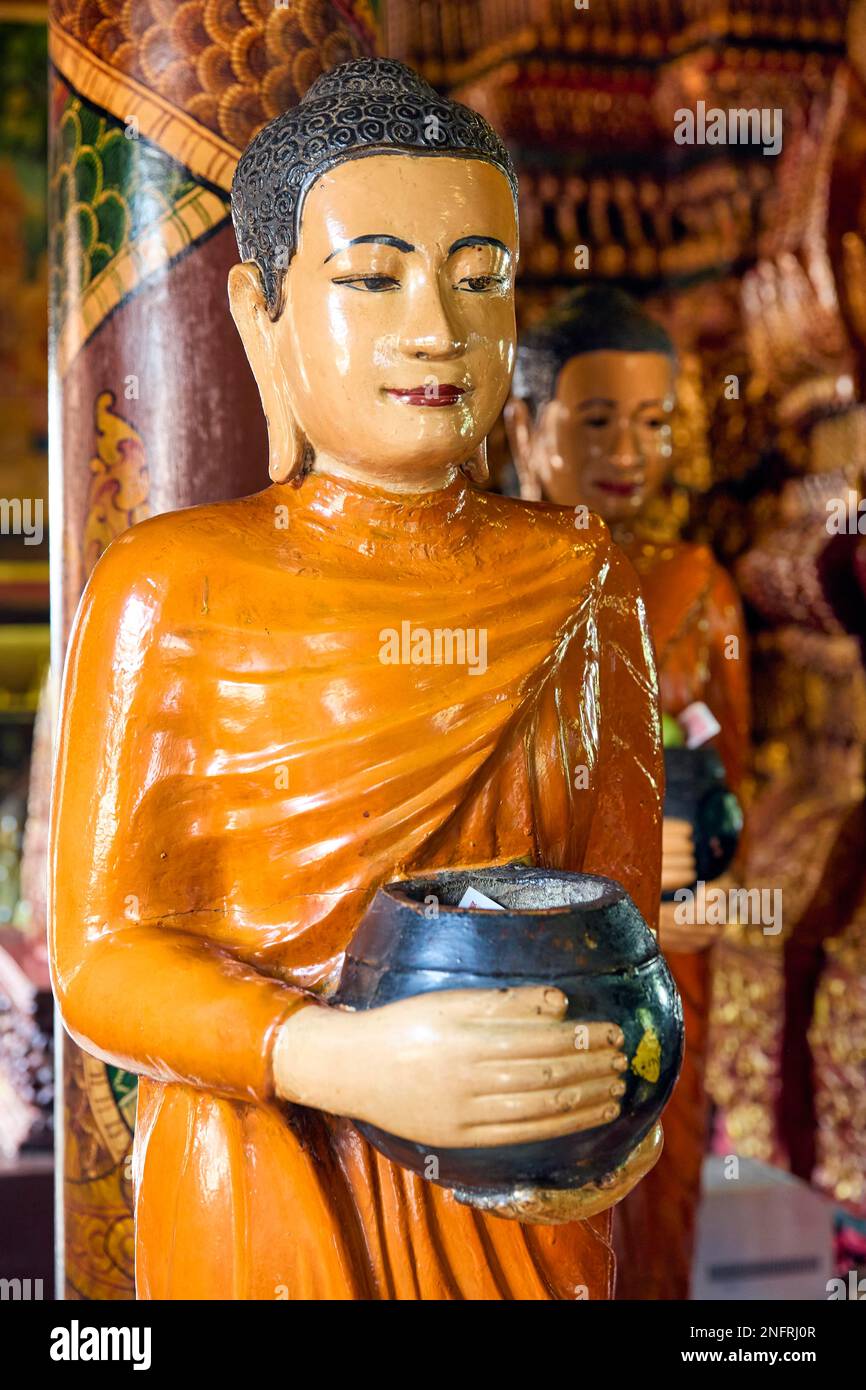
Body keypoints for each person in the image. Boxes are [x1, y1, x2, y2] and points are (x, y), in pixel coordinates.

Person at [50, 62, 663, 1300]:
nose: (434, 325)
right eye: (370, 278)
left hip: (517, 1176)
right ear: (259, 314)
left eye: (479, 279)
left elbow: (616, 924)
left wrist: (615, 1111)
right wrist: (333, 1058)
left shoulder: (583, 578)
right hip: (268, 1158)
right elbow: (103, 958)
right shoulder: (169, 583)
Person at [507, 283, 750, 1299]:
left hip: (658, 966)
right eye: (595, 420)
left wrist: (703, 884)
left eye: (652, 423)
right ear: (522, 422)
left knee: (649, 1224)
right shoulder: (483, 577)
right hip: (515, 960)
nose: (627, 450)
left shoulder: (693, 584)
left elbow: (722, 777)